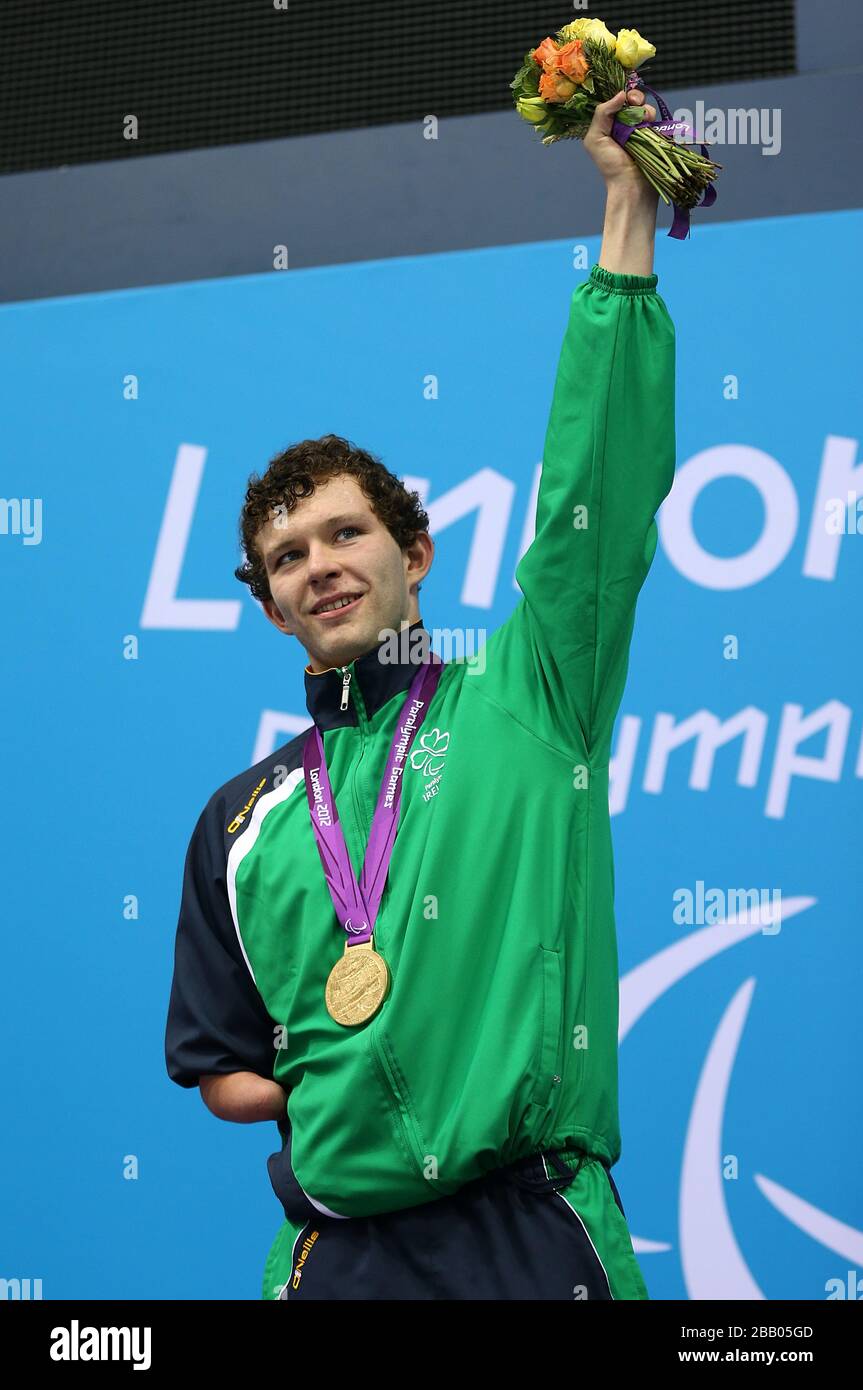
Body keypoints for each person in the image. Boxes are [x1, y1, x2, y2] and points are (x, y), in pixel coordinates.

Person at [164, 87, 674, 1300]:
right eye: (289, 557)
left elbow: (591, 486)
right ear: (272, 604)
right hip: (340, 1258)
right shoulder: (241, 825)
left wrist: (624, 206)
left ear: (414, 554)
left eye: (346, 535)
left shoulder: (531, 690)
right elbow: (223, 1068)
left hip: (533, 1231)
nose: (319, 565)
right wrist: (354, 1066)